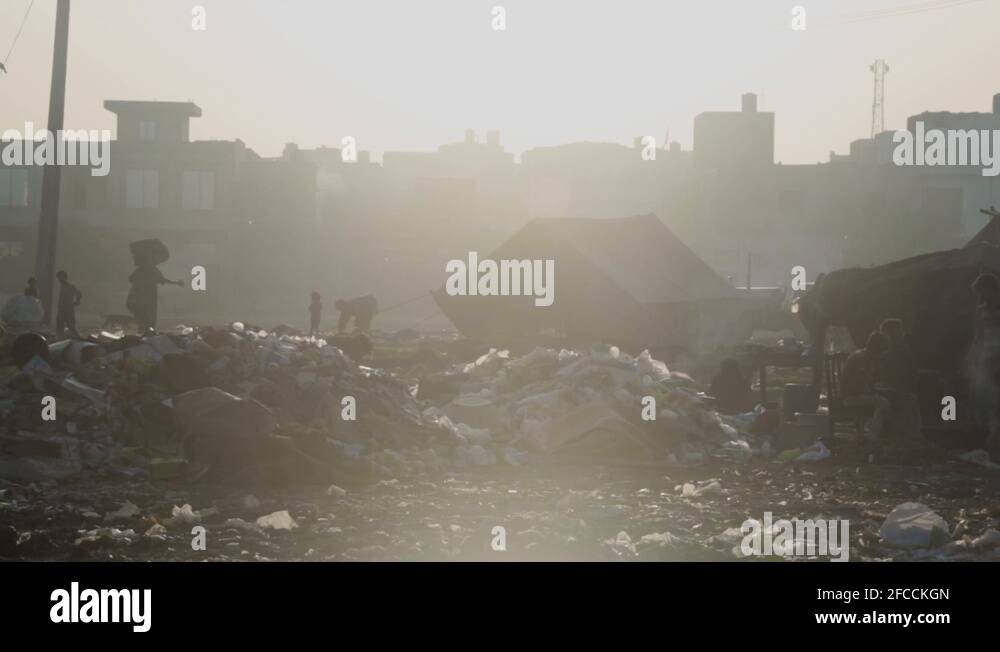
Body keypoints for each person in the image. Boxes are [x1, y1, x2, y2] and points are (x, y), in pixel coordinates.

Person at [968, 273, 1000, 458]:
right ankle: (991, 438)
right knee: (985, 398)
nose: (981, 296)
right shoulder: (981, 309)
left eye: (983, 292)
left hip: (997, 356)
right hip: (986, 356)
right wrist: (971, 357)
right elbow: (977, 335)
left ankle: (993, 438)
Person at [841, 331, 893, 439]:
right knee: (884, 403)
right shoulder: (861, 359)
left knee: (883, 402)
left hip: (856, 395)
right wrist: (875, 389)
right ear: (877, 349)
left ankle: (876, 434)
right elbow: (862, 381)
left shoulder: (863, 356)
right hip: (851, 397)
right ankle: (873, 436)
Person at [877, 318, 923, 439]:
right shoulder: (890, 351)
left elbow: (910, 370)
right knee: (910, 401)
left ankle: (913, 434)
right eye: (899, 331)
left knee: (911, 400)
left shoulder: (901, 349)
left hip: (898, 388)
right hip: (892, 390)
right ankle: (911, 435)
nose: (902, 334)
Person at [127, 263, 183, 334]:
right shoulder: (145, 269)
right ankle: (144, 330)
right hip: (143, 297)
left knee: (149, 315)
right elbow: (131, 278)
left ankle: (146, 330)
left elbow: (161, 279)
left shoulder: (150, 269)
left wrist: (175, 283)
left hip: (149, 297)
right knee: (145, 315)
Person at [55, 270, 82, 338]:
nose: (59, 280)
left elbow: (79, 293)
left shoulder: (70, 286)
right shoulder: (62, 286)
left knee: (71, 327)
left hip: (68, 310)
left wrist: (77, 301)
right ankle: (60, 340)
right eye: (58, 278)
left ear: (64, 277)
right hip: (61, 310)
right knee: (59, 327)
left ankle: (78, 339)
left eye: (60, 278)